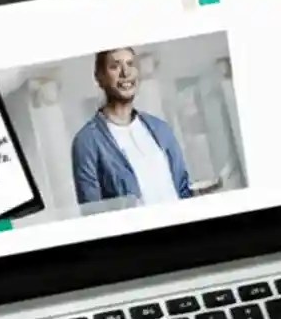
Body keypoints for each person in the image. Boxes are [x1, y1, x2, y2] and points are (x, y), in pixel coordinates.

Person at [71, 47, 192, 206]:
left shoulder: (161, 128)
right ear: (100, 77)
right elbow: (93, 211)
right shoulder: (87, 142)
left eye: (130, 64)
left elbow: (183, 189)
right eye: (115, 66)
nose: (125, 72)